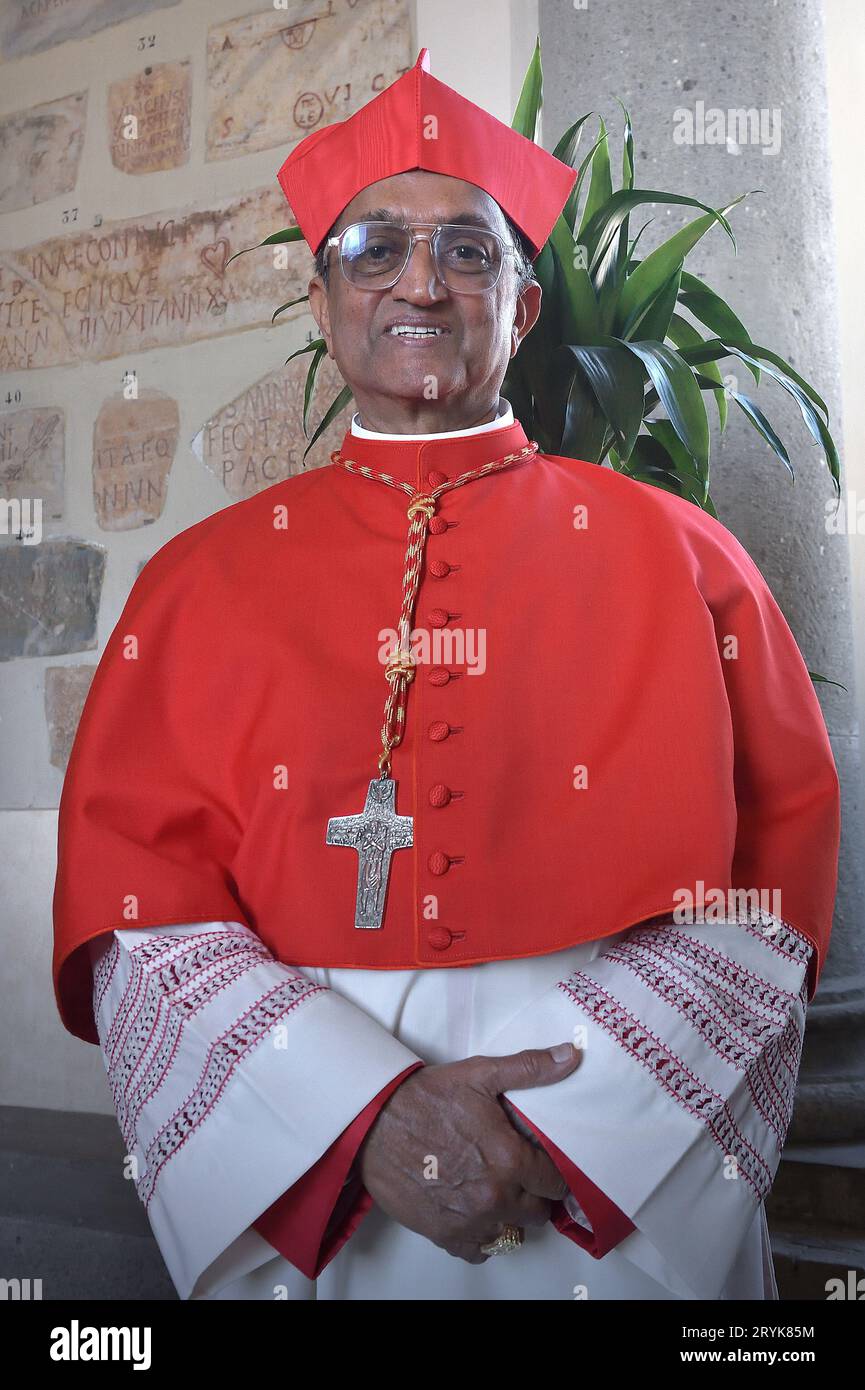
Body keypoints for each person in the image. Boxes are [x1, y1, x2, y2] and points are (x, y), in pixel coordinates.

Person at [52, 49, 840, 1301]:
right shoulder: (193, 584)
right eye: (374, 248)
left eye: (467, 250)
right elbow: (139, 914)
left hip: (607, 1165)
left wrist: (571, 1137)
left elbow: (769, 883)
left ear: (521, 308)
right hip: (320, 1172)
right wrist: (360, 1122)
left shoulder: (684, 558)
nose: (420, 278)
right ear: (325, 302)